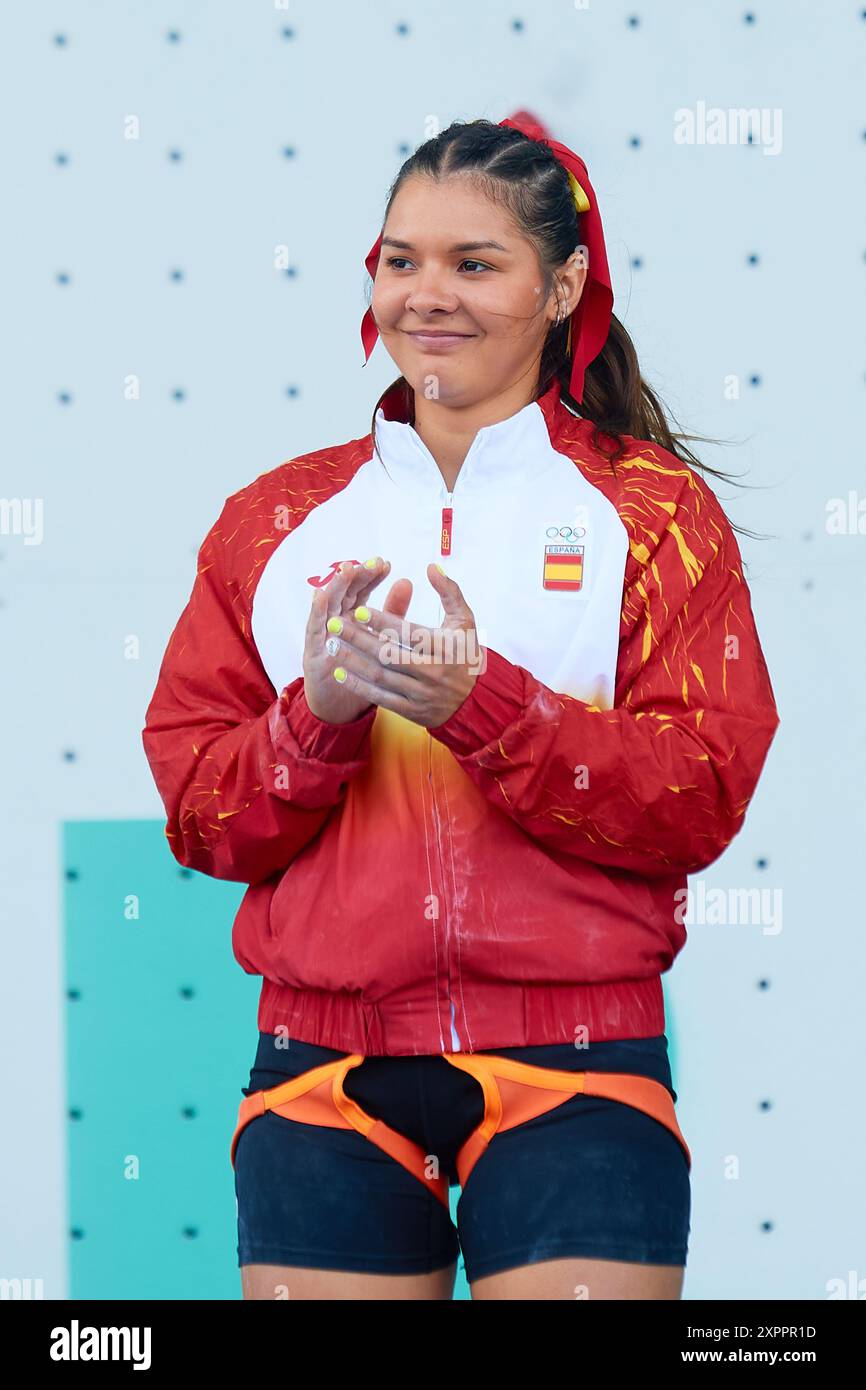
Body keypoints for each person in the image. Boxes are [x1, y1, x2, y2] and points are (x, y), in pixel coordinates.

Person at [141, 114, 780, 1301]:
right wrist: (315, 721)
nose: (426, 295)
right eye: (400, 260)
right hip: (319, 1070)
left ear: (563, 285)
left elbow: (695, 796)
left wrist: (482, 705)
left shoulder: (653, 516)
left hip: (577, 1068)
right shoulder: (273, 520)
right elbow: (200, 817)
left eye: (473, 263)